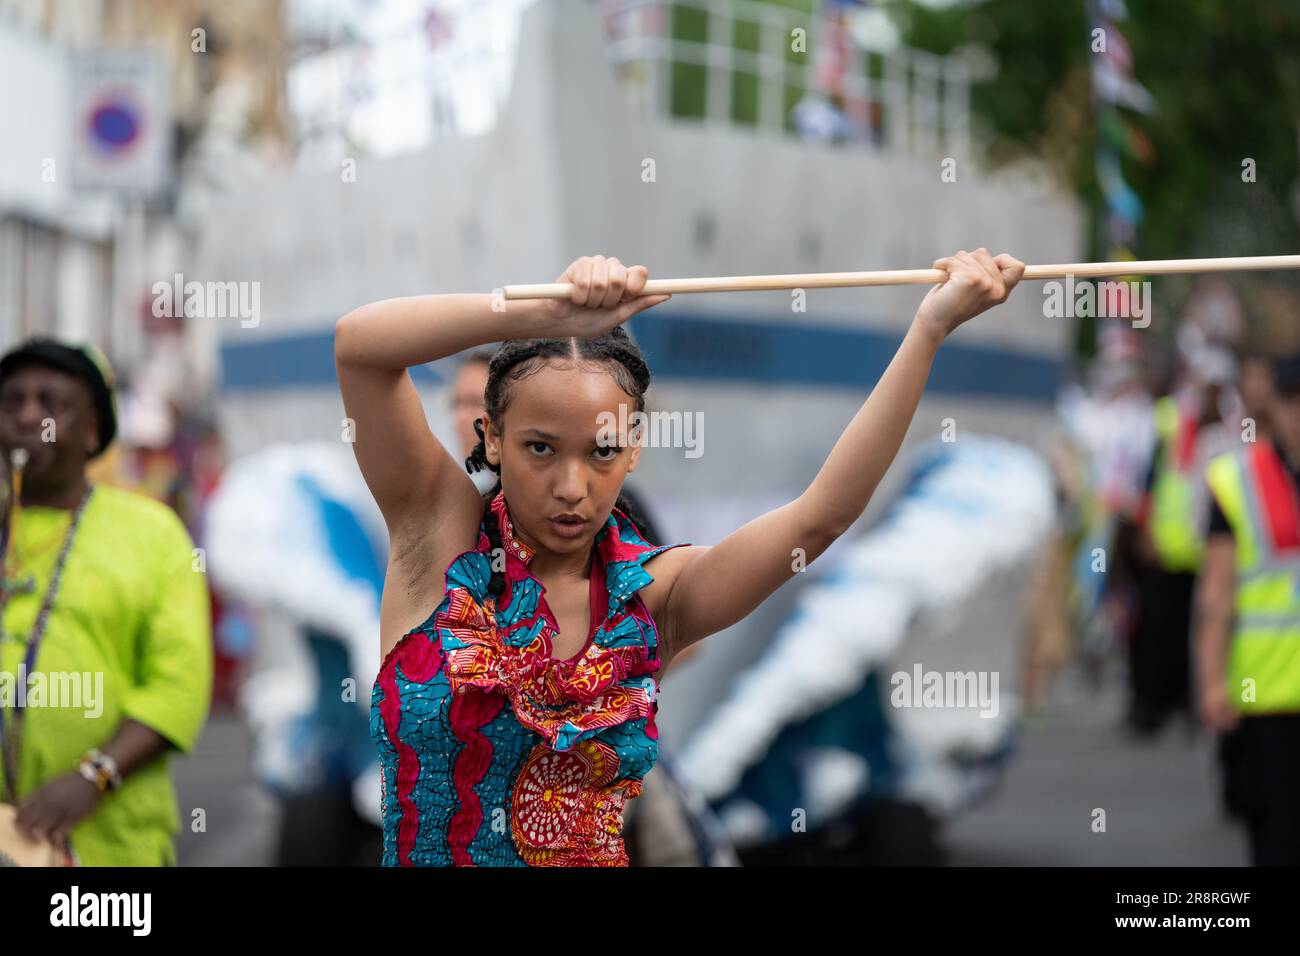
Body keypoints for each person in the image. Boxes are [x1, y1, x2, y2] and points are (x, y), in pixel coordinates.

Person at [335, 249, 1024, 866]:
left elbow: (823, 517)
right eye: (540, 448)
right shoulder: (435, 535)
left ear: (632, 451)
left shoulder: (655, 596)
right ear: (492, 438)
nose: (571, 488)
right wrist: (544, 311)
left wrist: (929, 329)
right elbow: (360, 347)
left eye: (601, 451)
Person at [0, 338, 212, 865]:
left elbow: (178, 685)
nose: (28, 416)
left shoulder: (152, 532)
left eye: (52, 403)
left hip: (110, 849)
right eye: (11, 402)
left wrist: (94, 777)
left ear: (93, 429)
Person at [1197, 352, 1300, 866]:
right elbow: (1217, 593)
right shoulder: (1237, 479)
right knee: (1277, 842)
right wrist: (1213, 680)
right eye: (1294, 403)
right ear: (1276, 406)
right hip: (1267, 699)